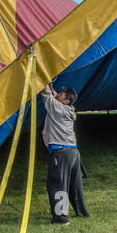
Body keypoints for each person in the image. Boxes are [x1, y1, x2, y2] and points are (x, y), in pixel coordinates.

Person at [42, 83, 89, 224]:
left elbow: (45, 95)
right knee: (75, 186)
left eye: (61, 94)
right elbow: (53, 96)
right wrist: (53, 89)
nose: (57, 94)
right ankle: (82, 212)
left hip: (62, 153)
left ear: (66, 101)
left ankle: (61, 218)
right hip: (73, 153)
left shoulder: (57, 108)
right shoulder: (67, 109)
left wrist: (43, 76)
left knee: (57, 184)